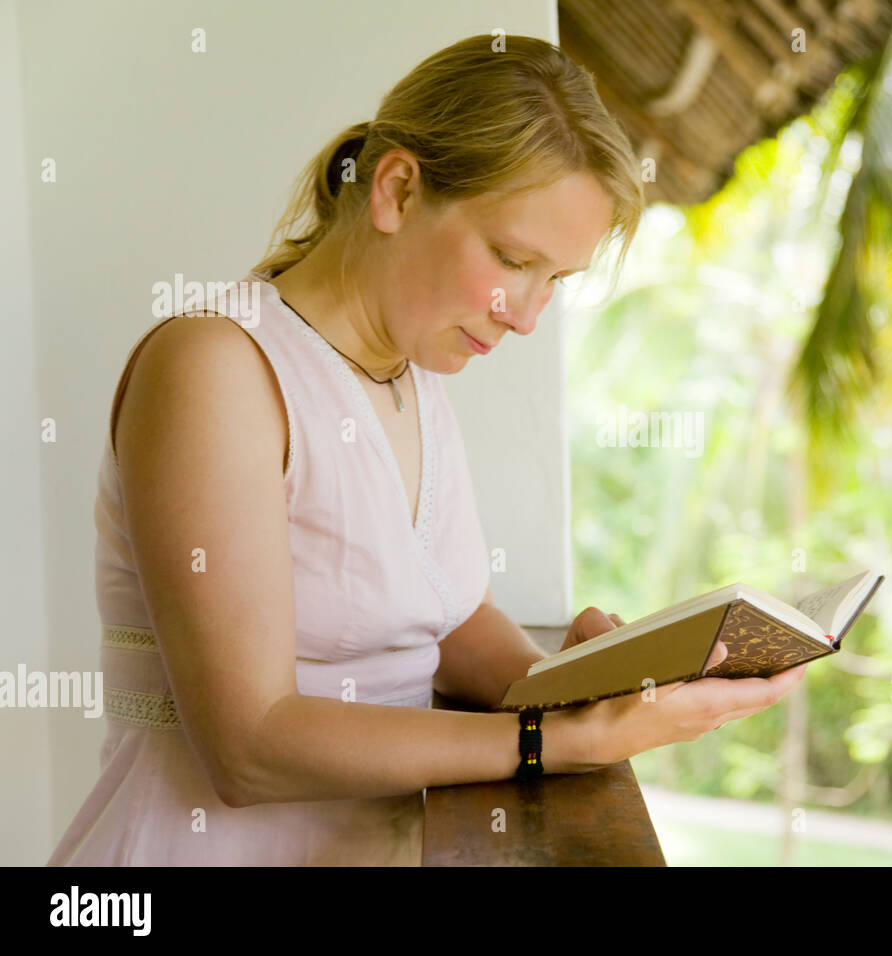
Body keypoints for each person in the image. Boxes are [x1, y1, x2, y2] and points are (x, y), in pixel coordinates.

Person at [48, 33, 805, 866]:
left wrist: (579, 687)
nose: (524, 315)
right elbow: (249, 745)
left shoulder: (407, 372)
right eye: (512, 260)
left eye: (555, 280)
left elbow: (445, 617)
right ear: (398, 190)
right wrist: (549, 743)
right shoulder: (214, 369)